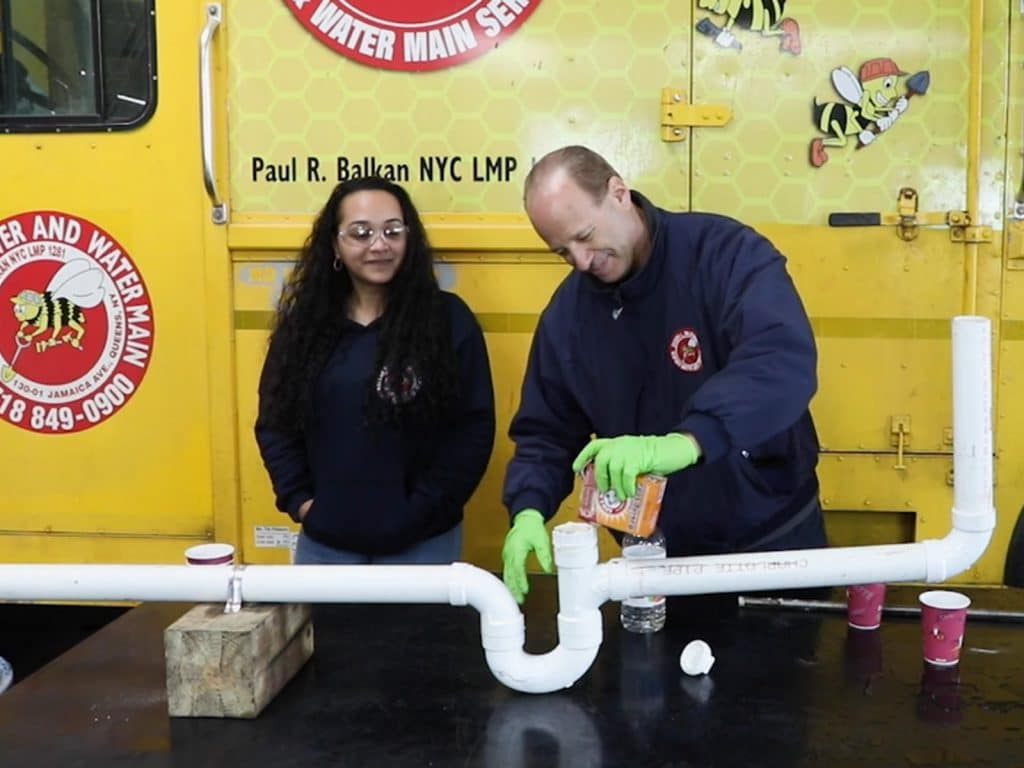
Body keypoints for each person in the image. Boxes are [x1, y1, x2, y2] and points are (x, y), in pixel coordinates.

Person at [501, 145, 826, 603]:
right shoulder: (568, 316)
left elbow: (780, 361)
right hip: (652, 565)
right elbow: (546, 431)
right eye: (562, 251)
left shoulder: (725, 254)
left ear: (619, 192)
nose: (580, 260)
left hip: (772, 543)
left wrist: (691, 440)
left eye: (586, 235)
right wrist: (528, 509)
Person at [255, 177, 496, 564]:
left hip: (425, 541)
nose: (379, 245)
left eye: (392, 231)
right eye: (361, 233)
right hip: (326, 544)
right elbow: (275, 424)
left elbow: (472, 429)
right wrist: (302, 503)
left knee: (418, 629)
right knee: (326, 629)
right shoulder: (304, 328)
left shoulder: (448, 320)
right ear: (335, 244)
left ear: (409, 238)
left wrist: (420, 511)